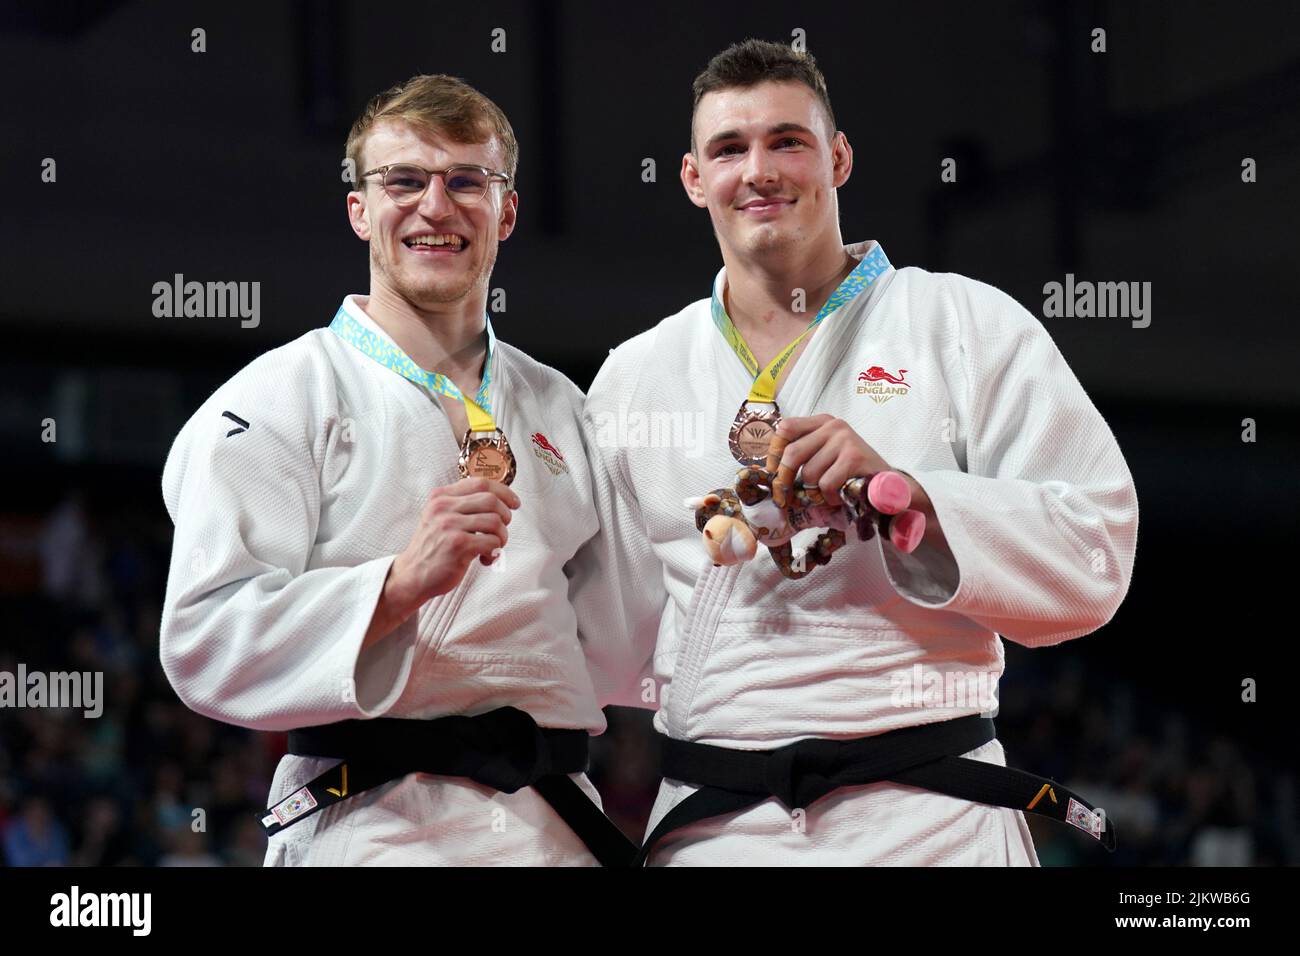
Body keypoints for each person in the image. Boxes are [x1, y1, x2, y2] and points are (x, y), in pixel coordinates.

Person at [574, 39, 1139, 865]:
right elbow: (603, 636)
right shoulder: (636, 374)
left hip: (931, 822)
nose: (759, 170)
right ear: (694, 179)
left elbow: (1095, 550)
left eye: (787, 142)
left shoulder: (961, 326)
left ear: (837, 158)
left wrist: (915, 497)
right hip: (720, 834)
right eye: (729, 149)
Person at [159, 74, 632, 866]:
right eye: (404, 181)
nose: (435, 207)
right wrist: (396, 585)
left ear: (506, 210)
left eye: (466, 181)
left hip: (553, 828)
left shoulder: (561, 406)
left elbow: (625, 635)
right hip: (372, 823)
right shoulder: (280, 396)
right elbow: (205, 636)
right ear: (360, 210)